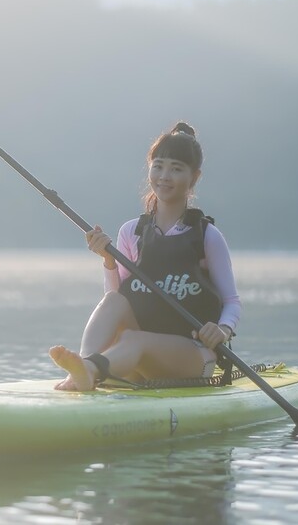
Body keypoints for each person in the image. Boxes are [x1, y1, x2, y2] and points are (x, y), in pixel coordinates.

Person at [50, 122, 241, 392]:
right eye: (158, 166)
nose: (164, 175)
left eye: (176, 169)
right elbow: (121, 297)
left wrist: (222, 330)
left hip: (193, 356)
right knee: (114, 302)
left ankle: (90, 371)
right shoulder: (132, 232)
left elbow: (232, 302)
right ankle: (85, 368)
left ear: (194, 178)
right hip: (137, 350)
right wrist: (108, 261)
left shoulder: (207, 236)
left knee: (134, 341)